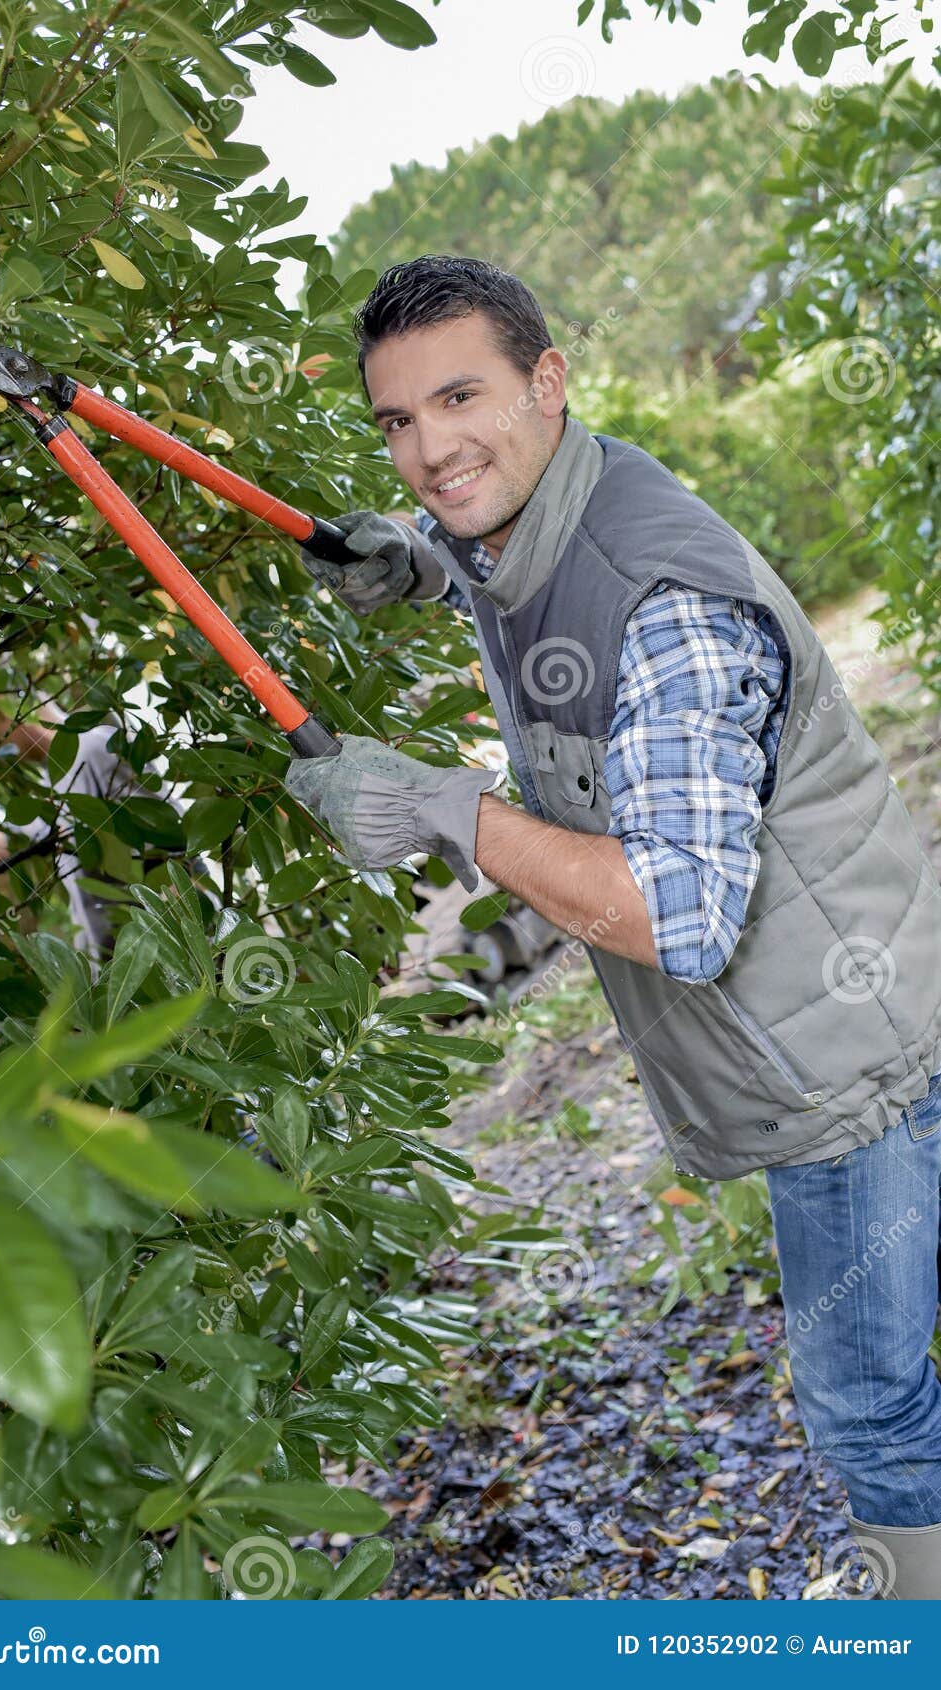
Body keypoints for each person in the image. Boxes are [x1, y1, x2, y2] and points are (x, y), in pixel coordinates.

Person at [286, 254, 941, 1600]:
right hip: (871, 996)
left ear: (548, 379)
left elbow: (679, 917)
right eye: (396, 422)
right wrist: (409, 563)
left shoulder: (665, 606)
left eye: (458, 398)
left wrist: (436, 804)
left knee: (865, 1398)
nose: (428, 448)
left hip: (843, 1061)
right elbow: (503, 559)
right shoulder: (544, 496)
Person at [0, 701, 195, 964]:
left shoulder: (95, 747)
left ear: (16, 715)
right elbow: (11, 842)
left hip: (162, 953)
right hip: (114, 964)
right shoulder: (51, 791)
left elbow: (173, 838)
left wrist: (173, 940)